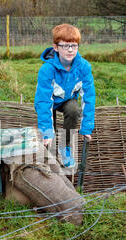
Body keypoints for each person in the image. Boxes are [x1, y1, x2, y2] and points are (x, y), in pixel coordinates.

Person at [34, 23, 96, 168]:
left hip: (66, 100)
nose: (70, 50)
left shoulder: (84, 67)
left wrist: (86, 127)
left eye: (74, 46)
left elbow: (89, 97)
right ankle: (48, 155)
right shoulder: (47, 70)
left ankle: (64, 147)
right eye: (65, 46)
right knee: (49, 134)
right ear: (56, 47)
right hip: (48, 101)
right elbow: (43, 101)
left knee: (74, 109)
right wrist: (47, 132)